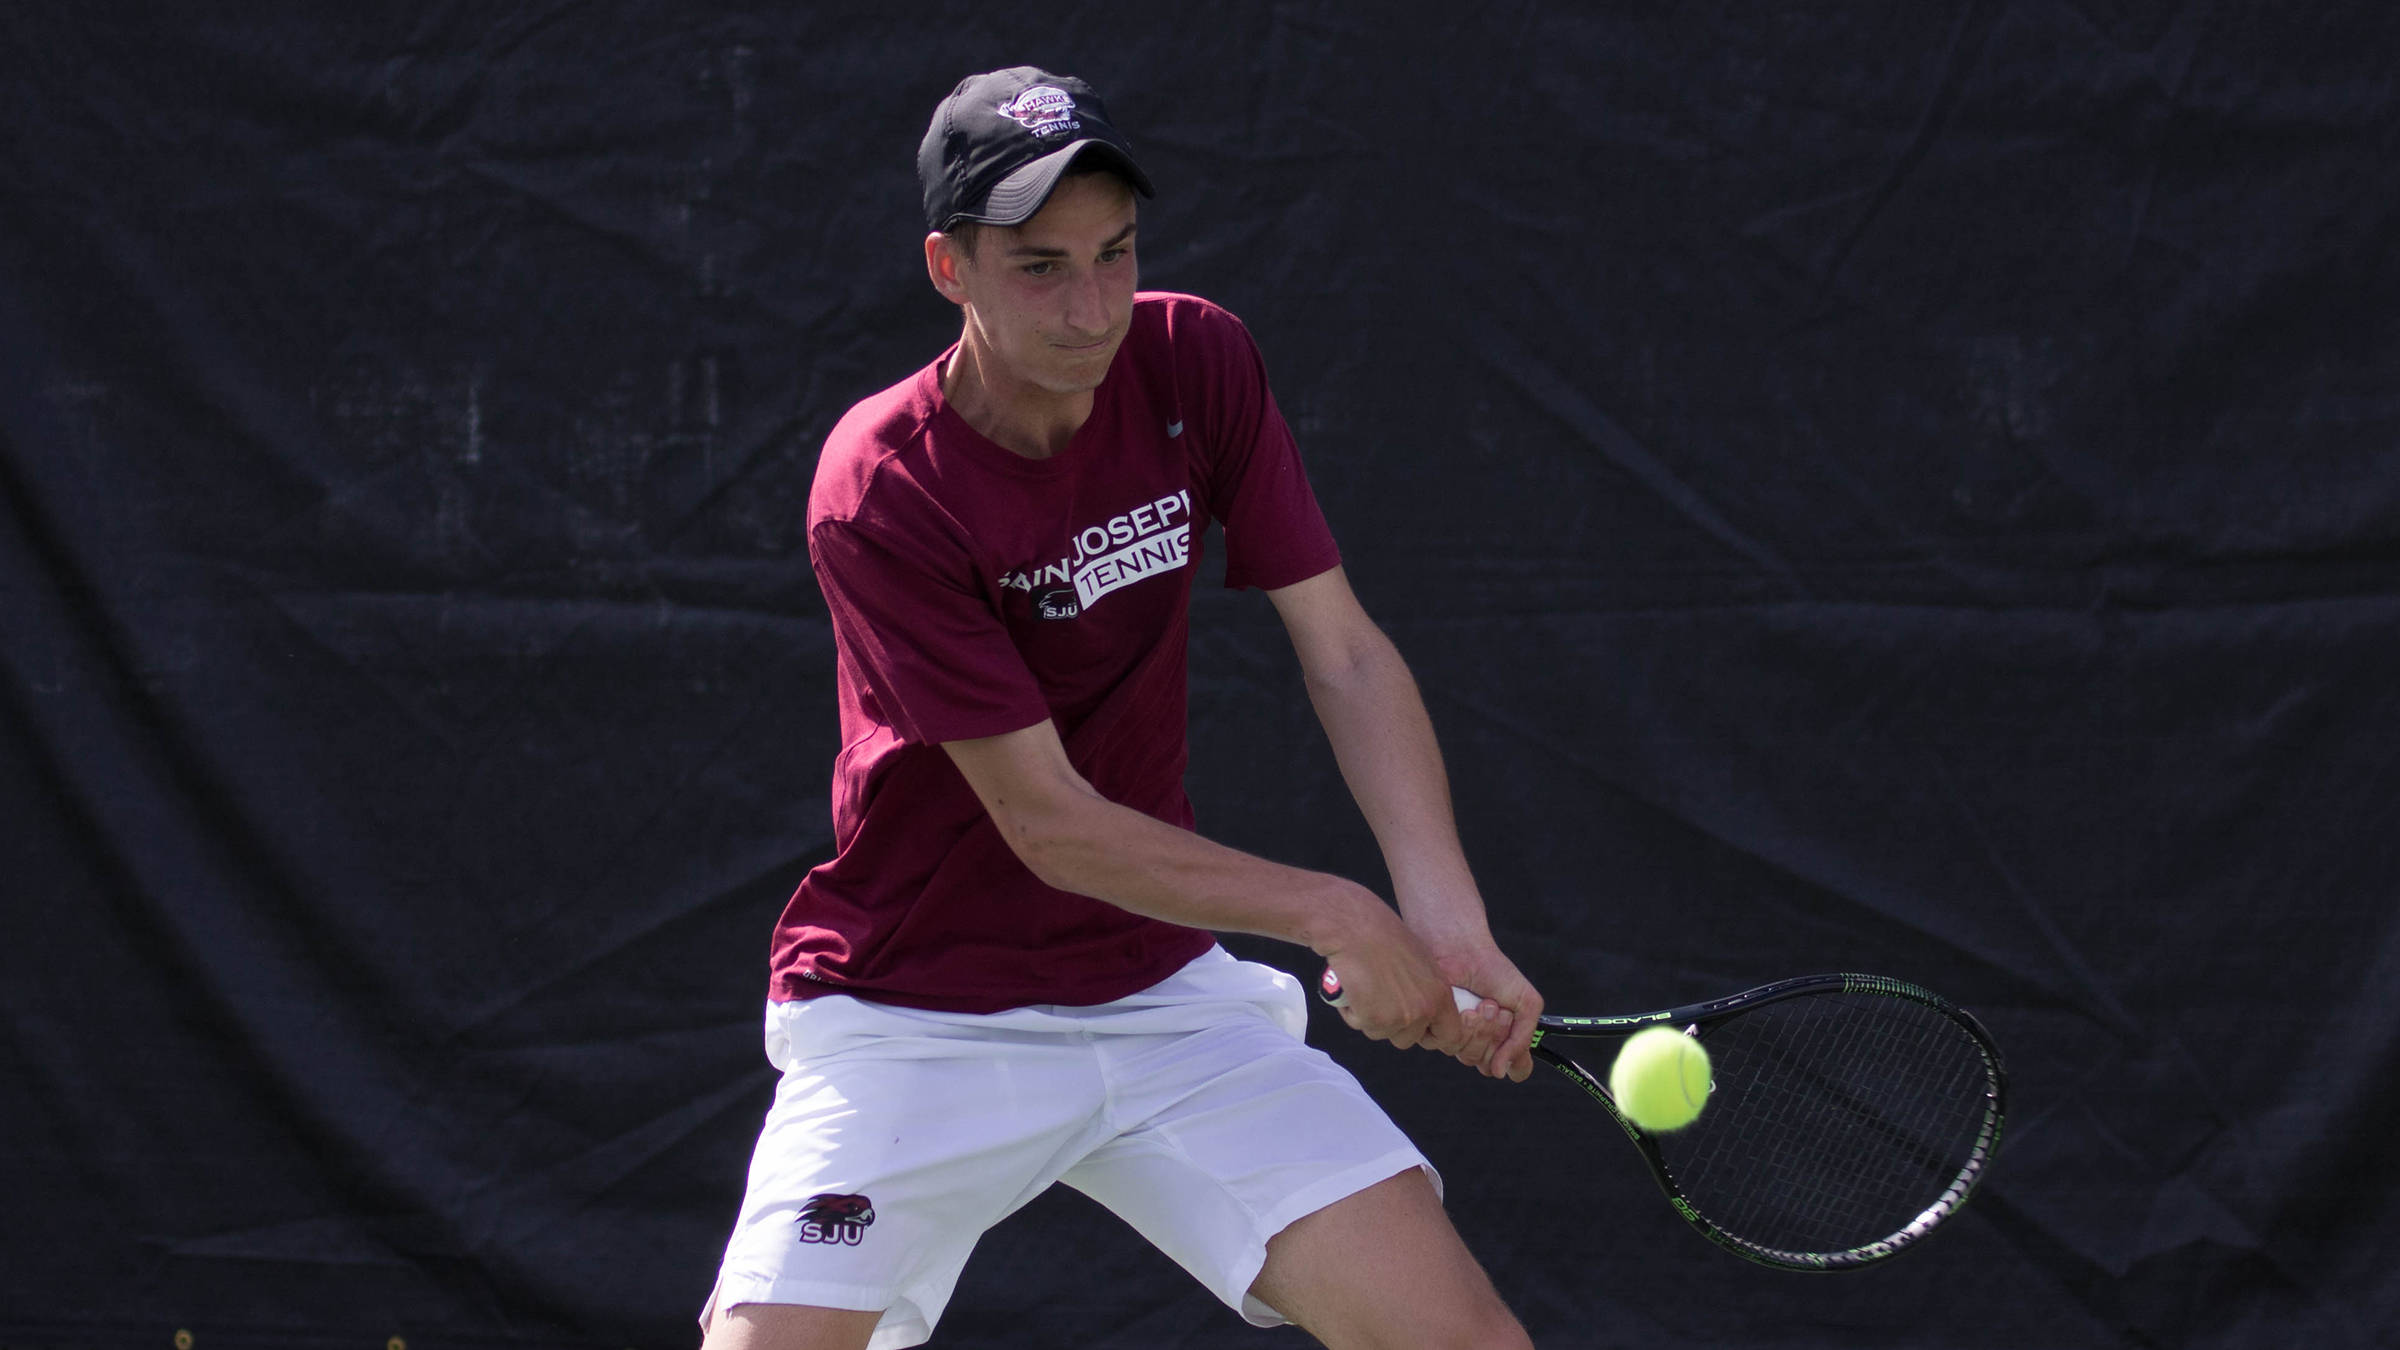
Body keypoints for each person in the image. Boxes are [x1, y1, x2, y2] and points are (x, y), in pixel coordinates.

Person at [701, 66, 1543, 1350]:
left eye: (1116, 253)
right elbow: (1051, 825)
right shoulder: (882, 486)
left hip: (1160, 1000)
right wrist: (1330, 910)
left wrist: (1445, 919)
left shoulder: (1194, 358)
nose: (1093, 307)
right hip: (913, 1017)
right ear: (950, 269)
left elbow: (1347, 656)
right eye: (1039, 267)